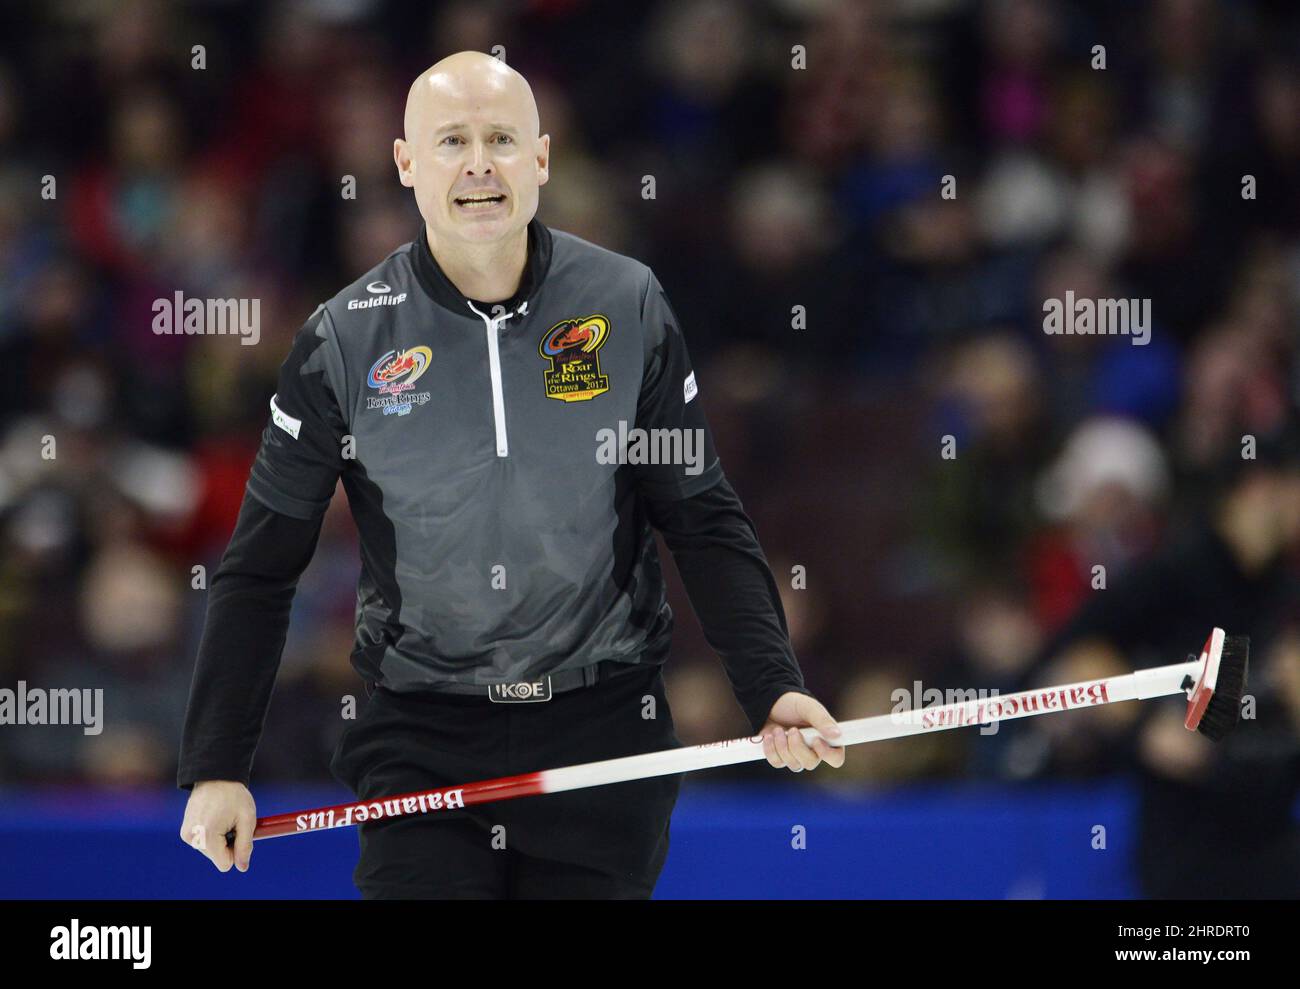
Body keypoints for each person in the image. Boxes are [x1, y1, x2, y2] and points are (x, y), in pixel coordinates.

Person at [177, 51, 844, 899]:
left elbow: (700, 513)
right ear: (406, 164)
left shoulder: (627, 302)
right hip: (420, 729)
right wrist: (215, 765)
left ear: (542, 158)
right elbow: (262, 563)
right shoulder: (342, 341)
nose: (480, 164)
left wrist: (773, 686)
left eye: (501, 138)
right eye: (451, 141)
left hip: (605, 726)